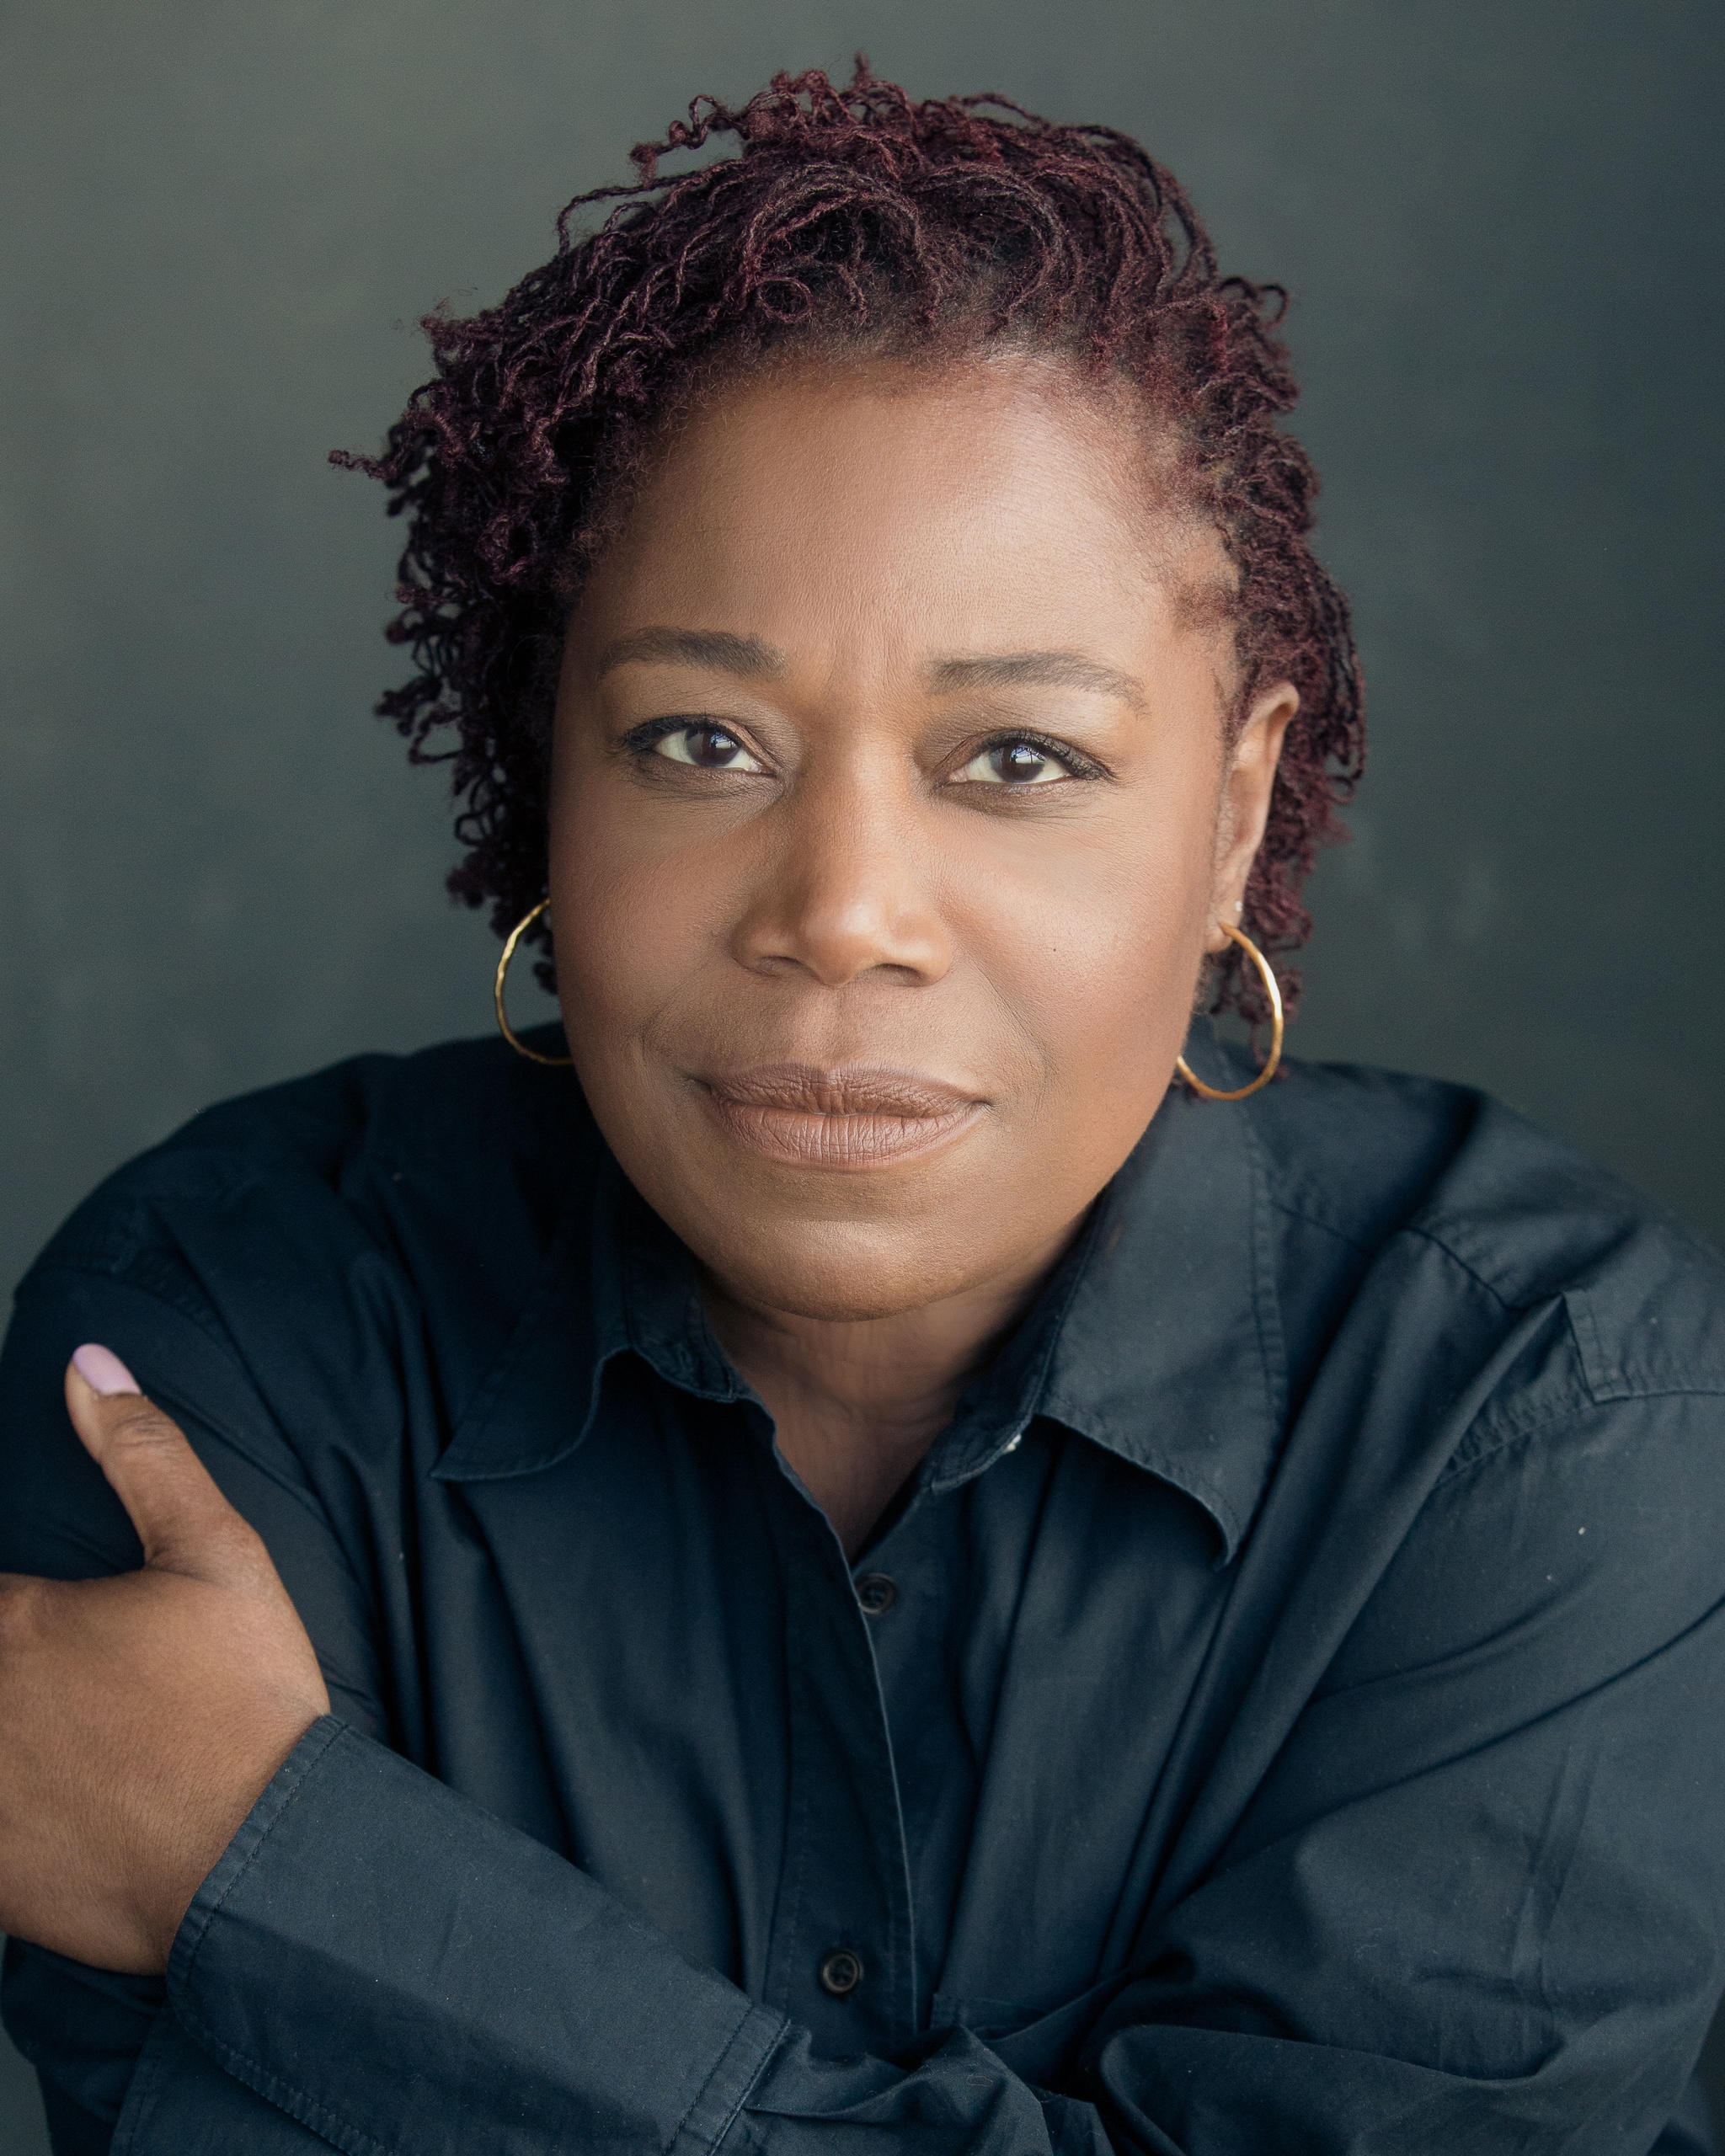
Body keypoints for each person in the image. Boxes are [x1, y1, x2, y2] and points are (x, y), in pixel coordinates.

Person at [1, 61, 1722, 2156]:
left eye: (1017, 759)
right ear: (547, 763)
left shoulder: (1546, 1415)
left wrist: (279, 1879)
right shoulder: (230, 1354)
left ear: (1231, 812)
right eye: (703, 738)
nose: (839, 913)